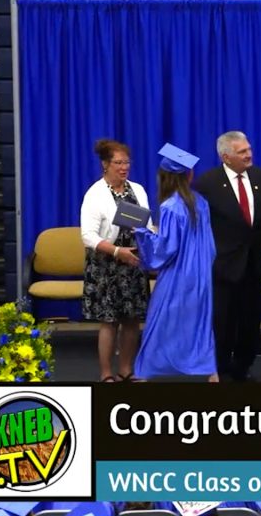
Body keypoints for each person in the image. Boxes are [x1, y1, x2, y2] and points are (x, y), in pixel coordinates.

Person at [194, 131, 261, 382]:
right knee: (223, 322)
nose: (249, 154)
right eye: (242, 151)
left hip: (254, 265)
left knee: (250, 321)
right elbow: (198, 227)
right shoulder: (207, 183)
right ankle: (220, 369)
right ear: (226, 157)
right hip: (222, 266)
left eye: (249, 149)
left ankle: (243, 367)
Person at [133, 144, 217, 382]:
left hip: (177, 274)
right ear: (188, 175)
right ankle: (211, 373)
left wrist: (142, 232)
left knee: (160, 321)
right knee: (200, 324)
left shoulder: (170, 207)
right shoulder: (201, 203)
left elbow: (165, 249)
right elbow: (210, 245)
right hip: (201, 274)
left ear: (165, 177)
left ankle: (146, 372)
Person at [80, 139, 152, 382]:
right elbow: (88, 236)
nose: (124, 167)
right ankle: (106, 374)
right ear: (105, 164)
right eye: (118, 163)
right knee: (109, 322)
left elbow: (147, 224)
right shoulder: (95, 194)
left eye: (127, 162)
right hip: (107, 265)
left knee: (132, 320)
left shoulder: (138, 190)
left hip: (133, 263)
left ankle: (126, 370)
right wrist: (116, 251)